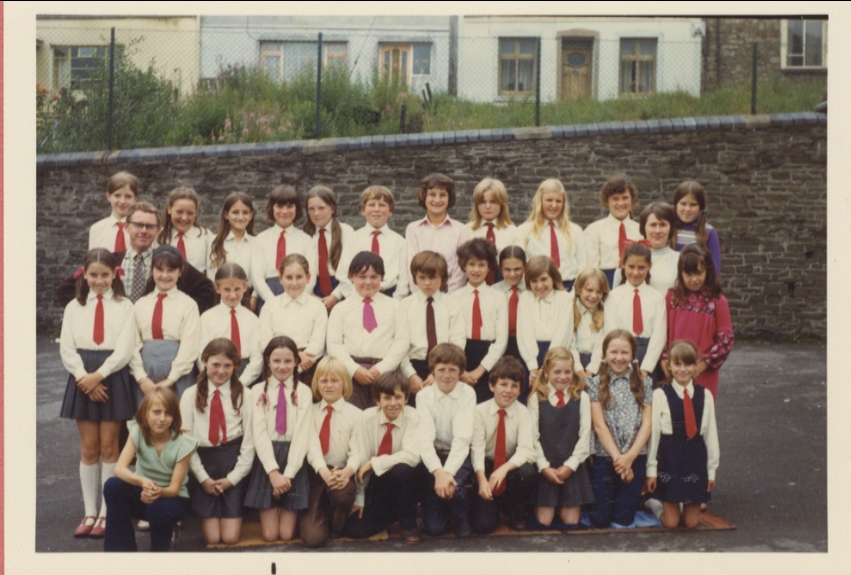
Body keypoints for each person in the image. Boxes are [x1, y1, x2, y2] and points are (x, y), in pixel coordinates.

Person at [60, 249, 137, 538]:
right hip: (82, 376)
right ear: (84, 274)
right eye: (94, 274)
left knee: (109, 447)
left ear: (115, 275)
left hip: (111, 375)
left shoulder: (124, 305)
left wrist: (99, 376)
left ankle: (107, 512)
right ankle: (89, 512)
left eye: (105, 274)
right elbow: (66, 347)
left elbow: (126, 348)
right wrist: (83, 378)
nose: (99, 280)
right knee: (89, 448)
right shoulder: (74, 307)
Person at [57, 202, 216, 313]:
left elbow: (207, 290)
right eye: (138, 225)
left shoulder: (169, 262)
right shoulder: (111, 261)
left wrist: (178, 313)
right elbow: (66, 290)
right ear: (126, 227)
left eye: (150, 226)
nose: (144, 231)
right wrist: (93, 311)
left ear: (158, 230)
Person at [103, 388, 198, 552]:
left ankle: (160, 550)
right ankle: (121, 551)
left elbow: (175, 489)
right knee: (112, 486)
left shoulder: (184, 443)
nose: (162, 418)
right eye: (156, 412)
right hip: (143, 492)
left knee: (158, 510)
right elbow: (119, 469)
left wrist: (156, 492)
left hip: (172, 499)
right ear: (145, 414)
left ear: (175, 416)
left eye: (168, 413)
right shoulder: (137, 432)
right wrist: (142, 482)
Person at [180, 339, 254, 545]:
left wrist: (233, 478)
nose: (221, 371)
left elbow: (249, 442)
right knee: (213, 538)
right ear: (204, 361)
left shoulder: (245, 395)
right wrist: (203, 478)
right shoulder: (189, 395)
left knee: (230, 538)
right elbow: (186, 441)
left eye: (227, 365)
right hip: (202, 463)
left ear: (236, 366)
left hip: (233, 463)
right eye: (215, 364)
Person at [244, 336, 313, 542]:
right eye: (276, 361)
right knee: (270, 535)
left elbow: (302, 434)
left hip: (294, 459)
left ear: (296, 362)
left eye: (288, 361)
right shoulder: (257, 391)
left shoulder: (304, 391)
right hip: (268, 460)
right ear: (267, 361)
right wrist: (273, 473)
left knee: (286, 534)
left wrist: (288, 474)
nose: (282, 366)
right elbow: (259, 433)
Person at [645, 340, 719, 528]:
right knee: (672, 523)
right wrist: (651, 470)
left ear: (696, 366)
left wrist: (711, 471)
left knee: (690, 523)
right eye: (677, 364)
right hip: (670, 459)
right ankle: (653, 503)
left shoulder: (705, 395)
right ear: (668, 366)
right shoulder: (660, 394)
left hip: (695, 458)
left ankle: (680, 503)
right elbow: (654, 437)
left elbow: (711, 435)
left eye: (688, 364)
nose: (683, 369)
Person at [343, 370, 423, 544]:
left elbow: (412, 456)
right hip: (377, 484)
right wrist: (360, 500)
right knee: (354, 529)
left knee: (403, 469)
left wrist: (374, 462)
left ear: (406, 398)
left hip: (405, 480)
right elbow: (360, 459)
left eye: (398, 397)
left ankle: (408, 523)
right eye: (387, 398)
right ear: (377, 400)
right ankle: (393, 512)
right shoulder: (366, 419)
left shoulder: (413, 417)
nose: (393, 403)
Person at [326, 251, 410, 410]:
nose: (368, 282)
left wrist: (381, 369)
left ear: (382, 277)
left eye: (374, 277)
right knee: (354, 419)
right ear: (351, 277)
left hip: (386, 372)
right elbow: (334, 344)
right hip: (351, 372)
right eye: (362, 277)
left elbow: (401, 342)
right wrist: (354, 370)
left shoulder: (394, 306)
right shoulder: (341, 309)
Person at [586, 330, 652, 528]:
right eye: (613, 352)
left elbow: (646, 424)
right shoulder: (594, 383)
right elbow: (599, 425)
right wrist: (619, 459)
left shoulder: (644, 382)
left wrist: (629, 457)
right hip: (606, 457)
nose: (619, 358)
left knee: (624, 519)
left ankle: (647, 501)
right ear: (604, 353)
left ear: (633, 355)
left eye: (625, 353)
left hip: (635, 456)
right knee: (600, 519)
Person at [527, 347, 593, 529]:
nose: (563, 377)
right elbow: (533, 437)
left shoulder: (582, 397)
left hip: (572, 467)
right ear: (546, 373)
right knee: (543, 522)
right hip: (546, 468)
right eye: (557, 372)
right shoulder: (537, 398)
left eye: (567, 372)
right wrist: (544, 467)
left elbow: (585, 435)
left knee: (571, 522)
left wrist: (571, 466)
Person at [416, 343, 477, 538]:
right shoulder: (424, 396)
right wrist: (438, 472)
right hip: (433, 459)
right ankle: (443, 509)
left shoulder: (468, 394)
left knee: (455, 488)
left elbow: (462, 439)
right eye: (441, 370)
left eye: (453, 370)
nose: (447, 375)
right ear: (432, 371)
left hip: (458, 456)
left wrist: (447, 473)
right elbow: (424, 440)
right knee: (435, 529)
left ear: (461, 372)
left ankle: (461, 517)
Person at [470, 356, 537, 533]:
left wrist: (504, 469)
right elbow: (477, 448)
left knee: (528, 472)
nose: (508, 391)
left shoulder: (523, 413)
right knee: (483, 526)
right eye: (503, 384)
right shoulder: (479, 411)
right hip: (487, 466)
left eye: (514, 386)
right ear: (492, 385)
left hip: (510, 467)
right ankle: (490, 506)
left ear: (520, 389)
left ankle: (514, 509)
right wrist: (482, 479)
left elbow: (526, 450)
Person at [299, 357, 360, 548]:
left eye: (335, 380)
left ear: (345, 383)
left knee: (340, 494)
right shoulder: (309, 412)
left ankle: (337, 516)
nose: (329, 385)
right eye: (324, 380)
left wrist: (347, 472)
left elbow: (358, 451)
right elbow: (311, 448)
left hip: (342, 475)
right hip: (317, 474)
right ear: (316, 384)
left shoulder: (356, 414)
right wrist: (325, 474)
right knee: (312, 538)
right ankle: (319, 512)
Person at [129, 245, 201, 404]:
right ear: (151, 269)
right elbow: (132, 344)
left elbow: (190, 346)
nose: (165, 275)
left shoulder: (188, 305)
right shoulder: (140, 305)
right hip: (146, 373)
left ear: (180, 271)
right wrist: (141, 378)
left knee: (178, 418)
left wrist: (171, 379)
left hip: (178, 375)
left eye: (171, 270)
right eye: (160, 270)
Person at [661, 244, 733, 399]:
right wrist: (664, 361)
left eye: (699, 273)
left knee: (700, 416)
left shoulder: (718, 301)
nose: (694, 279)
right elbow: (661, 333)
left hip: (703, 372)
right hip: (674, 370)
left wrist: (702, 364)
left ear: (708, 270)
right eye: (688, 274)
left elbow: (725, 340)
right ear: (680, 273)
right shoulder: (672, 298)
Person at [589, 244, 666, 380]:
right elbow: (611, 332)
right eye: (631, 267)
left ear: (650, 266)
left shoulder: (657, 297)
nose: (636, 273)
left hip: (648, 353)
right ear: (623, 265)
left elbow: (659, 335)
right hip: (620, 355)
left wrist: (646, 368)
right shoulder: (613, 296)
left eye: (641, 267)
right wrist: (624, 365)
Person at [399, 251, 466, 395]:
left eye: (433, 277)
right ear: (415, 278)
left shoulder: (452, 304)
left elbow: (457, 341)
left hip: (445, 366)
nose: (427, 283)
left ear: (443, 278)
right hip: (413, 366)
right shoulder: (404, 306)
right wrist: (410, 375)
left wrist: (438, 374)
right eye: (421, 277)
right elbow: (399, 344)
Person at [257, 254, 328, 386]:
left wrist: (297, 366)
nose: (294, 283)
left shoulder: (317, 307)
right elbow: (265, 341)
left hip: (306, 367)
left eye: (299, 277)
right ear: (280, 279)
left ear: (308, 278)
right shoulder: (270, 306)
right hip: (276, 367)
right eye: (289, 277)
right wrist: (292, 358)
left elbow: (316, 345)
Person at [456, 238, 508, 403]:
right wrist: (461, 371)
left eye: (481, 265)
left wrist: (480, 370)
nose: (476, 270)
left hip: (489, 359)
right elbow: (449, 337)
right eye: (471, 264)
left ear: (490, 266)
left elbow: (501, 341)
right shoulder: (454, 299)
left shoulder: (499, 298)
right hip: (461, 356)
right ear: (464, 265)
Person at [251, 185, 317, 313]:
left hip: (298, 292)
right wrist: (272, 302)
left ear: (297, 209)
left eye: (290, 206)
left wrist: (296, 298)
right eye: (279, 206)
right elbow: (257, 276)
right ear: (272, 208)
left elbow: (311, 276)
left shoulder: (306, 240)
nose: (285, 211)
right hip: (268, 293)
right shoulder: (260, 239)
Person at [516, 256, 578, 391]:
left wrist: (549, 367)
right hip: (530, 356)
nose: (539, 285)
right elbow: (524, 332)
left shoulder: (564, 298)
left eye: (544, 279)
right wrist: (533, 368)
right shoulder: (526, 297)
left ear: (553, 278)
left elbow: (563, 332)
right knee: (529, 397)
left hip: (557, 356)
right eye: (534, 281)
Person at [337, 185, 408, 300]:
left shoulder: (399, 242)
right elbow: (342, 275)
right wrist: (354, 299)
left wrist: (395, 302)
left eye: (382, 205)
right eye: (371, 205)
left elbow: (404, 279)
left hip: (389, 296)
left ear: (390, 211)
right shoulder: (353, 239)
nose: (376, 209)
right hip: (357, 296)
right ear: (362, 210)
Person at [514, 179, 586, 291]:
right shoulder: (524, 231)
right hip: (537, 288)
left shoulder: (575, 231)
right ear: (540, 201)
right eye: (549, 200)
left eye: (558, 201)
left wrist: (575, 292)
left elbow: (583, 266)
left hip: (568, 287)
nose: (554, 205)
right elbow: (521, 266)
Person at [199, 264, 263, 386]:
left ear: (245, 287)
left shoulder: (253, 319)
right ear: (217, 288)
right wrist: (212, 378)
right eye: (227, 289)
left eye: (237, 289)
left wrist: (241, 383)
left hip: (245, 374)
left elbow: (257, 358)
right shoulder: (207, 318)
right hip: (215, 374)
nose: (233, 295)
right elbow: (201, 354)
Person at [406, 173, 469, 294]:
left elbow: (460, 268)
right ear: (424, 196)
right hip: (420, 293)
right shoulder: (413, 229)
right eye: (432, 194)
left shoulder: (461, 230)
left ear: (449, 198)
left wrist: (450, 296)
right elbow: (411, 266)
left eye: (443, 195)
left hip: (450, 293)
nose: (437, 200)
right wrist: (419, 295)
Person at [583, 174, 643, 288]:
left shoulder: (641, 230)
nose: (620, 203)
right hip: (605, 283)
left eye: (625, 198)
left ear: (632, 200)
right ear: (607, 201)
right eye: (615, 199)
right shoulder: (593, 230)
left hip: (635, 282)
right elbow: (591, 267)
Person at [303, 186, 354, 311]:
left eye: (321, 208)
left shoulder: (346, 232)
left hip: (341, 286)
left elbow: (351, 269)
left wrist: (335, 296)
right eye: (311, 209)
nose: (316, 213)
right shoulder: (303, 235)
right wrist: (310, 295)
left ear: (332, 208)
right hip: (311, 288)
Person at [207, 192, 257, 310]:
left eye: (245, 212)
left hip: (248, 298)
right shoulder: (214, 241)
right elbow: (211, 275)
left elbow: (258, 276)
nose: (240, 217)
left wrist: (254, 298)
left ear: (251, 215)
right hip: (222, 297)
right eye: (235, 212)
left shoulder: (256, 242)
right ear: (226, 214)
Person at [465, 178, 517, 285]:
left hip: (503, 285)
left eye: (493, 202)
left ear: (502, 204)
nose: (488, 207)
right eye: (483, 202)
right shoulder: (466, 230)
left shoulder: (513, 231)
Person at [157, 187, 213, 275]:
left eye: (190, 213)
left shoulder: (206, 237)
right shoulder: (158, 236)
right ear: (169, 209)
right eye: (179, 212)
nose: (184, 218)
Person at [673, 180, 721, 275]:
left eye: (693, 205)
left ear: (701, 207)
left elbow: (714, 269)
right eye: (683, 204)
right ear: (676, 204)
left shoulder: (709, 232)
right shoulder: (666, 229)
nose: (687, 209)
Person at [572, 268, 609, 380]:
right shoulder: (571, 310)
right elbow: (570, 343)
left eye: (599, 292)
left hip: (598, 363)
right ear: (579, 290)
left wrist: (591, 370)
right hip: (573, 363)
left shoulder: (604, 312)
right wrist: (578, 368)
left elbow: (601, 344)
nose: (594, 296)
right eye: (589, 290)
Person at [493, 245, 526, 366]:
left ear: (525, 267)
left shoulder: (532, 290)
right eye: (507, 269)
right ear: (500, 268)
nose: (512, 274)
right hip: (500, 345)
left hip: (528, 345)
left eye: (517, 269)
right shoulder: (494, 292)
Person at [88, 171, 137, 252]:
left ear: (135, 198)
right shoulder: (97, 229)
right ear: (108, 196)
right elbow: (93, 261)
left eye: (128, 196)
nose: (122, 201)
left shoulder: (142, 229)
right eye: (117, 195)